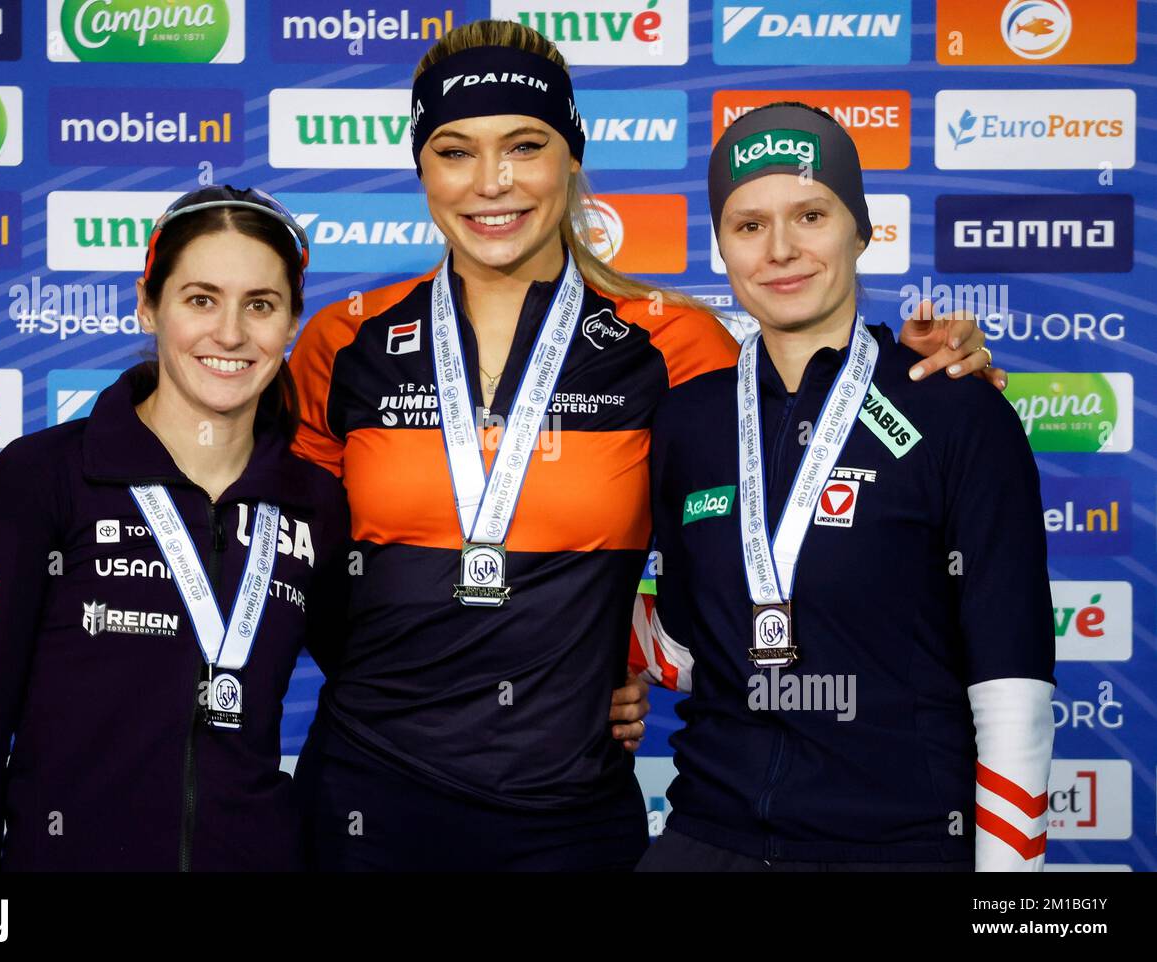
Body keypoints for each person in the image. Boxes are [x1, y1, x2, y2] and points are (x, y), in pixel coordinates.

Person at [285, 21, 998, 871]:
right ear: (421, 167)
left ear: (572, 156)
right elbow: (300, 571)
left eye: (525, 145)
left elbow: (786, 506)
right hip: (367, 793)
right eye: (454, 150)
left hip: (569, 816)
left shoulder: (676, 345)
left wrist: (938, 373)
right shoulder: (341, 342)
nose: (491, 183)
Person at [633, 103, 1055, 872]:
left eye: (811, 214)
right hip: (707, 835)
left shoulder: (956, 410)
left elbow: (1012, 685)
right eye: (749, 225)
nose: (782, 250)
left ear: (860, 229)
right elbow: (692, 638)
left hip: (896, 849)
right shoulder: (688, 421)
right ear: (722, 247)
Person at [0, 186, 351, 871]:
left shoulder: (316, 504)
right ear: (147, 305)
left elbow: (388, 681)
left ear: (292, 321)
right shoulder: (40, 479)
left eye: (261, 305)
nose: (232, 334)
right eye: (201, 299)